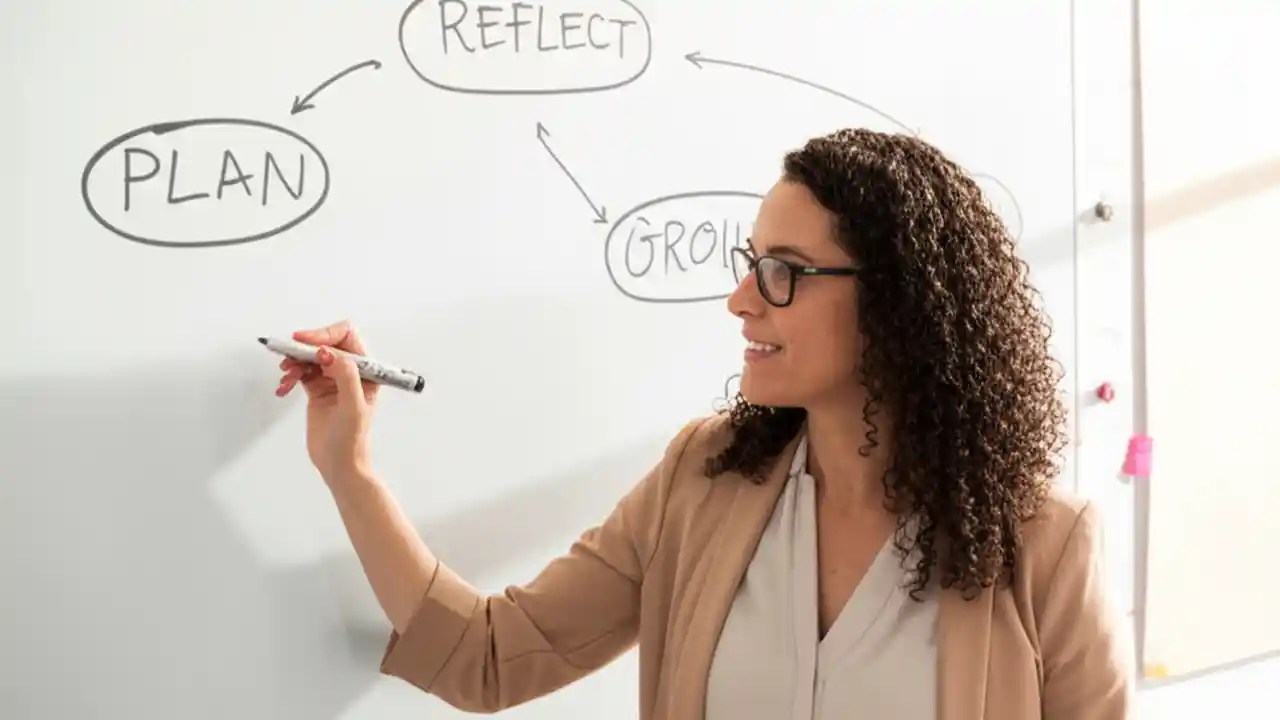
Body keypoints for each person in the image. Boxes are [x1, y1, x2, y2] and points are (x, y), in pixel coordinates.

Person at [274, 128, 1134, 719]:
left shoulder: (1043, 547)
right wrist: (350, 471)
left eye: (783, 273)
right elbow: (489, 656)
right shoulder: (704, 480)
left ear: (899, 303)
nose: (740, 299)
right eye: (748, 264)